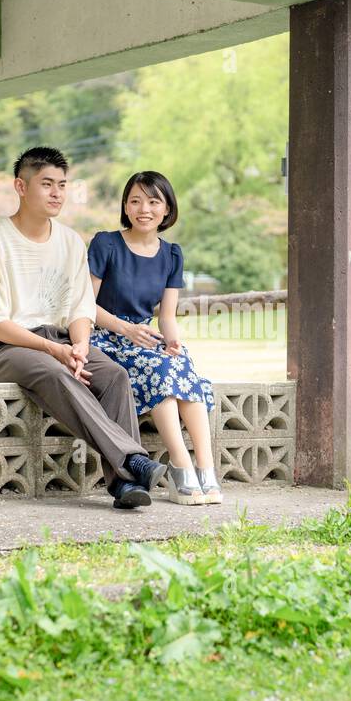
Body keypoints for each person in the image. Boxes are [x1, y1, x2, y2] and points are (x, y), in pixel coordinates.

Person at [0, 146, 167, 509]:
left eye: (62, 184)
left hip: (59, 339)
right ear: (21, 187)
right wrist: (53, 351)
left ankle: (124, 487)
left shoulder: (71, 241)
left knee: (114, 375)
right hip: (2, 348)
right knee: (58, 374)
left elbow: (80, 307)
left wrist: (79, 346)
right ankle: (132, 461)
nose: (57, 192)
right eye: (47, 184)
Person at [87, 171, 221, 505]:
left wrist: (172, 342)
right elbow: (85, 306)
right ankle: (180, 464)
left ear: (166, 209)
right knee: (162, 372)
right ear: (125, 206)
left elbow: (166, 317)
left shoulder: (172, 254)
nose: (143, 208)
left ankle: (206, 467)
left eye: (153, 201)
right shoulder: (106, 244)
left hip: (146, 339)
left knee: (179, 363)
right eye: (135, 200)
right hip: (107, 339)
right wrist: (126, 328)